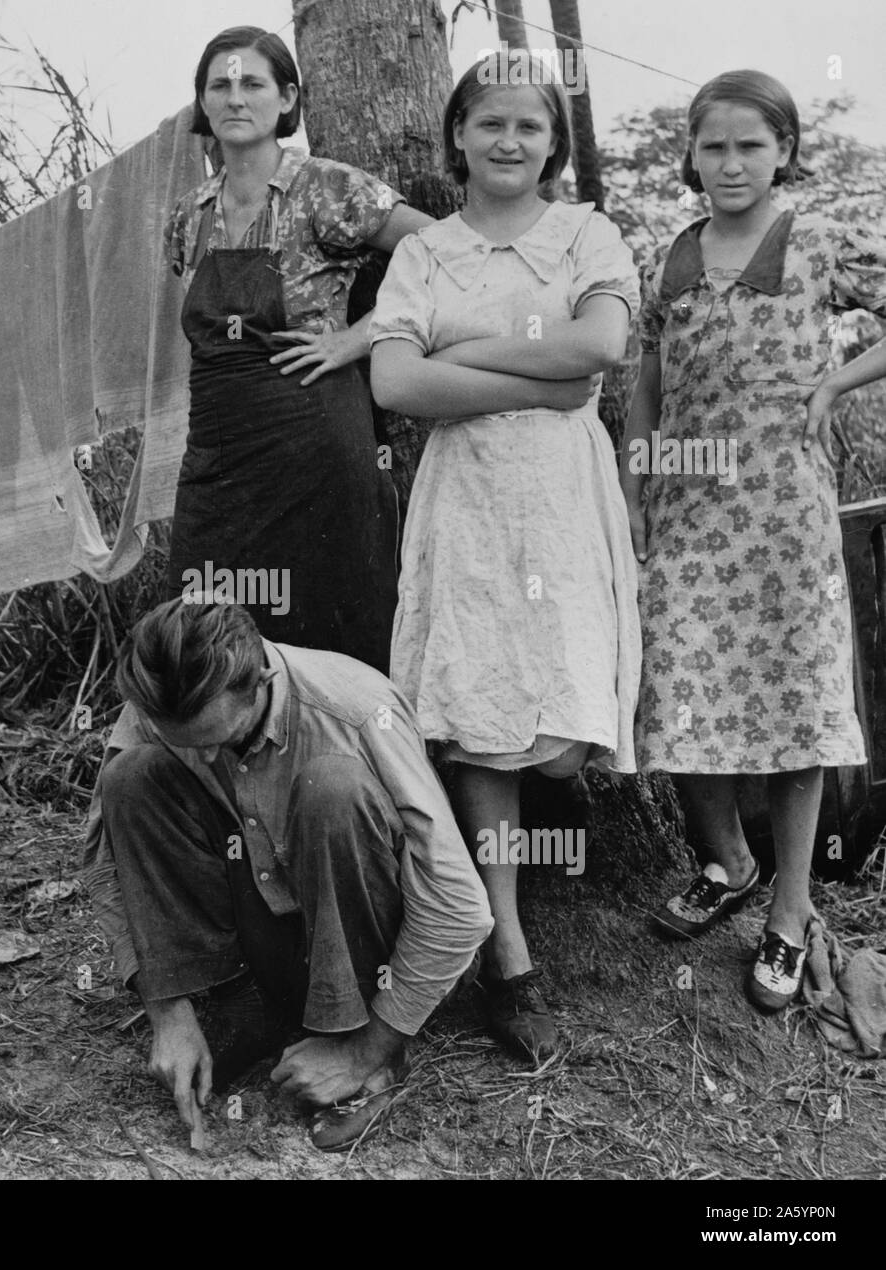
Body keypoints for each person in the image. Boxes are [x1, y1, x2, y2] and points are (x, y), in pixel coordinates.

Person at [368, 53, 641, 1059]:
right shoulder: (426, 252)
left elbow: (599, 350)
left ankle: (530, 908)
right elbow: (396, 384)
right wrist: (536, 374)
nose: (509, 142)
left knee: (558, 717)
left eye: (530, 126)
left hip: (559, 498)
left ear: (554, 145)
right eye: (489, 124)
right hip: (467, 499)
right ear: (456, 140)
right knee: (480, 715)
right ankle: (506, 952)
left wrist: (462, 358)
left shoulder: (585, 232)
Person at [622, 70, 886, 1011]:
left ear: (784, 151)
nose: (731, 163)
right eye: (714, 146)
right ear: (690, 156)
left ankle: (789, 906)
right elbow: (648, 382)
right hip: (689, 512)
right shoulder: (670, 254)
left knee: (795, 692)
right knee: (677, 685)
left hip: (785, 509)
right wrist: (636, 480)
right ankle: (726, 861)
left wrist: (832, 385)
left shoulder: (818, 240)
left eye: (750, 145)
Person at [83, 597, 493, 1152]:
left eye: (219, 744)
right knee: (130, 779)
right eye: (185, 745)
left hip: (373, 951)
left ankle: (362, 1050)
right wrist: (167, 1010)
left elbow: (458, 907)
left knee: (332, 789)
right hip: (267, 933)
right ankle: (245, 1007)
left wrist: (367, 1048)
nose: (202, 762)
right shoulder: (163, 703)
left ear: (261, 682)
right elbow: (108, 862)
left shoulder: (356, 710)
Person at [165, 26, 433, 673]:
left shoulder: (327, 188)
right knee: (201, 634)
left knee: (332, 625)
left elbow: (443, 253)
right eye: (219, 85)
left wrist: (356, 339)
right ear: (202, 102)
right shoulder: (188, 216)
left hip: (317, 446)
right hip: (221, 458)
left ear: (287, 99)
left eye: (252, 83)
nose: (234, 98)